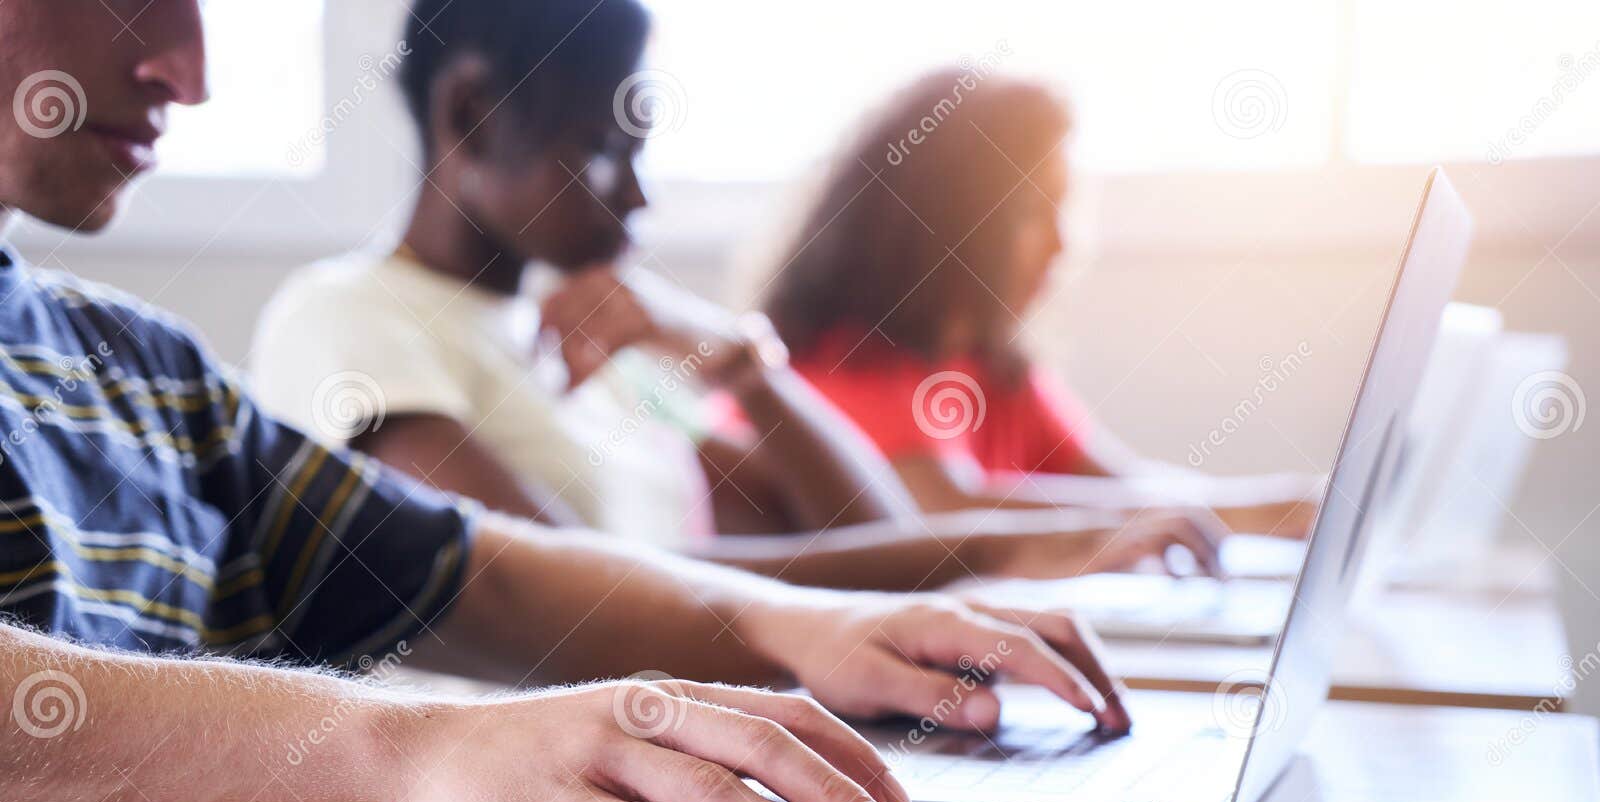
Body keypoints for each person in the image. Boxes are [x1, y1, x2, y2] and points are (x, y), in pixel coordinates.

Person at [0, 0, 1132, 802]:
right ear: (472, 113)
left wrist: (790, 617)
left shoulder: (135, 364)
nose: (186, 73)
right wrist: (407, 754)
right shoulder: (353, 320)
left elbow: (472, 570)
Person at [249, 0, 1225, 589]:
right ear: (468, 111)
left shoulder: (599, 347)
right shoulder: (347, 320)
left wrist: (739, 363)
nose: (638, 196)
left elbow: (865, 530)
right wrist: (1021, 551)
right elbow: (567, 599)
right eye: (602, 152)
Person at [764, 71, 1320, 536]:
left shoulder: (992, 371)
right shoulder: (837, 366)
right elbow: (938, 515)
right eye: (1035, 211)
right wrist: (1238, 514)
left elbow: (1124, 484)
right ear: (951, 219)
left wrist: (1286, 505)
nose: (1062, 244)